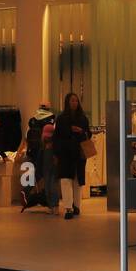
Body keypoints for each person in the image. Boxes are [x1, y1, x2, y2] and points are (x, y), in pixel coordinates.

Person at [52, 92, 91, 220]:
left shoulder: (83, 118)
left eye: (76, 101)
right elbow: (56, 137)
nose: (74, 103)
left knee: (77, 180)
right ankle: (68, 207)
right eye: (72, 101)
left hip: (79, 153)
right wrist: (56, 154)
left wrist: (81, 131)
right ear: (67, 102)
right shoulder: (61, 118)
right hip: (65, 153)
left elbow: (88, 134)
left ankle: (77, 206)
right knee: (65, 179)